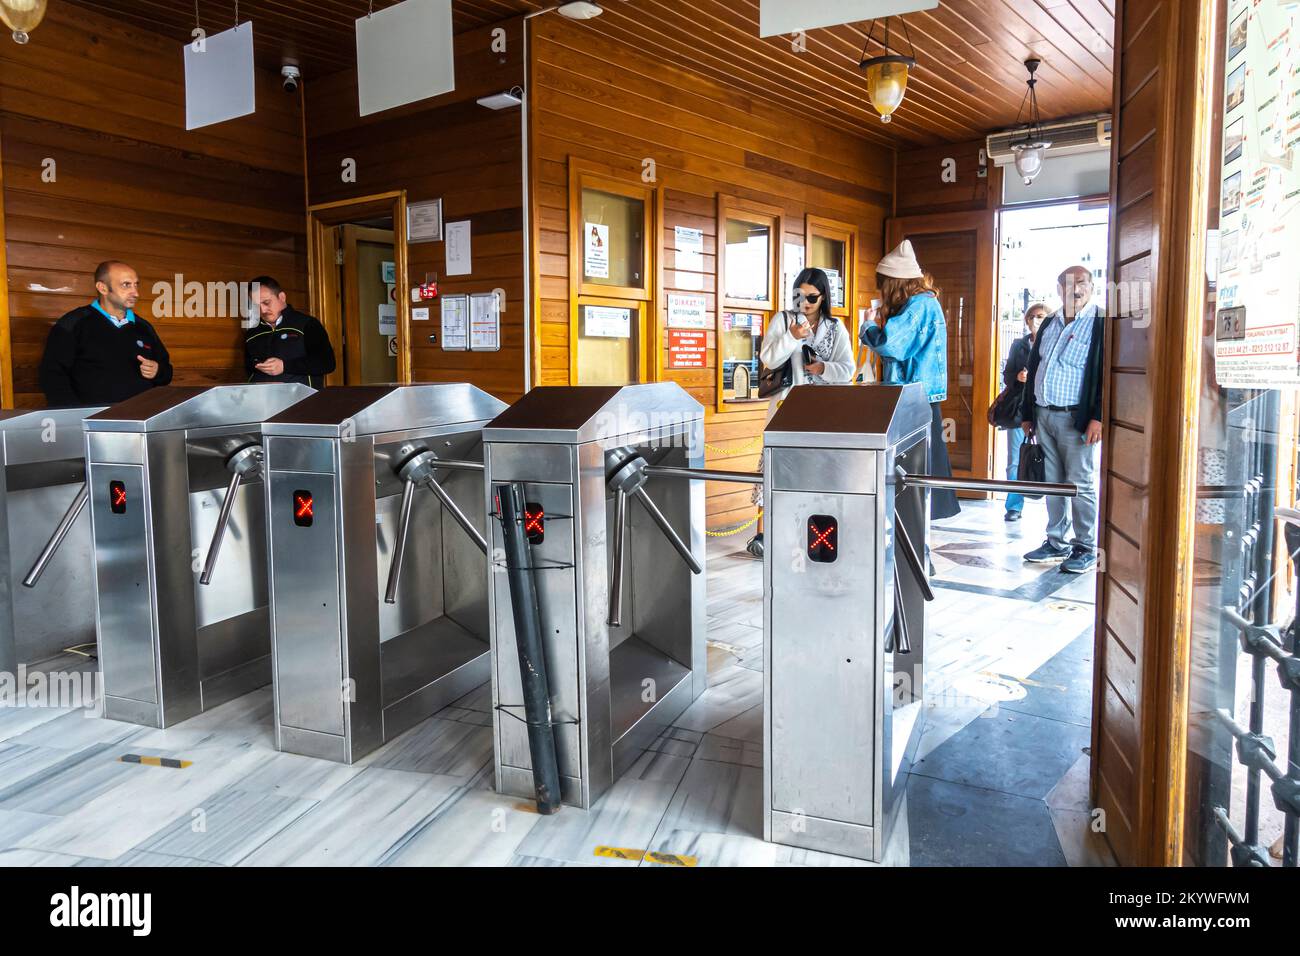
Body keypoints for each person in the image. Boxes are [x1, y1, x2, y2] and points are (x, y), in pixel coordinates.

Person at [744, 267, 855, 558]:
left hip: (826, 412)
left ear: (823, 297)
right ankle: (764, 534)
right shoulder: (783, 320)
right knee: (774, 466)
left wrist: (823, 368)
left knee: (821, 469)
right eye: (799, 295)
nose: (804, 302)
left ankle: (818, 529)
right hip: (787, 408)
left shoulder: (835, 328)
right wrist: (792, 337)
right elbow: (768, 357)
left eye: (811, 297)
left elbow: (848, 370)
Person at [860, 239, 960, 521]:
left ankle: (915, 552)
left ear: (893, 283)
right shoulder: (925, 304)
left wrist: (868, 326)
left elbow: (891, 345)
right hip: (919, 397)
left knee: (913, 476)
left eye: (883, 284)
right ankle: (916, 546)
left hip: (913, 398)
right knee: (919, 473)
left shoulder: (919, 306)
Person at [1019, 265, 1105, 574]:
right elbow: (1035, 367)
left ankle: (1086, 546)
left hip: (1076, 420)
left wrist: (1098, 416)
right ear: (1059, 289)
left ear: (1092, 287)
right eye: (1068, 284)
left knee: (1080, 482)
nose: (1075, 289)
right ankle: (1056, 541)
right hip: (1044, 414)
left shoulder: (1100, 322)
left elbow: (1107, 375)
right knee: (1053, 483)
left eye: (1081, 283)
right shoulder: (1050, 322)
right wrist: (1027, 413)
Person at [39, 260, 173, 407]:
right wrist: (73, 416)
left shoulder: (144, 327)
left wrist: (157, 370)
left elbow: (166, 372)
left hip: (140, 420)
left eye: (136, 285)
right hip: (92, 424)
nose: (135, 293)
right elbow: (52, 375)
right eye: (126, 285)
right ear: (102, 288)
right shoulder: (74, 323)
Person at [1002, 302, 1049, 521]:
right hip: (1020, 409)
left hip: (1046, 409)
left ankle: (1052, 511)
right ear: (1027, 320)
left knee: (1051, 460)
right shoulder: (1018, 345)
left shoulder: (1052, 342)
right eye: (1032, 317)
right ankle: (1014, 506)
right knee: (1015, 459)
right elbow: (1007, 374)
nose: (1036, 320)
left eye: (1041, 316)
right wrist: (1017, 378)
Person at [245, 276, 336, 388]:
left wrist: (284, 366)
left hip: (303, 402)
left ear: (282, 297)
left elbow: (327, 363)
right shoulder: (252, 333)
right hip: (263, 402)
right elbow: (249, 366)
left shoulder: (307, 324)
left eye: (266, 302)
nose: (262, 310)